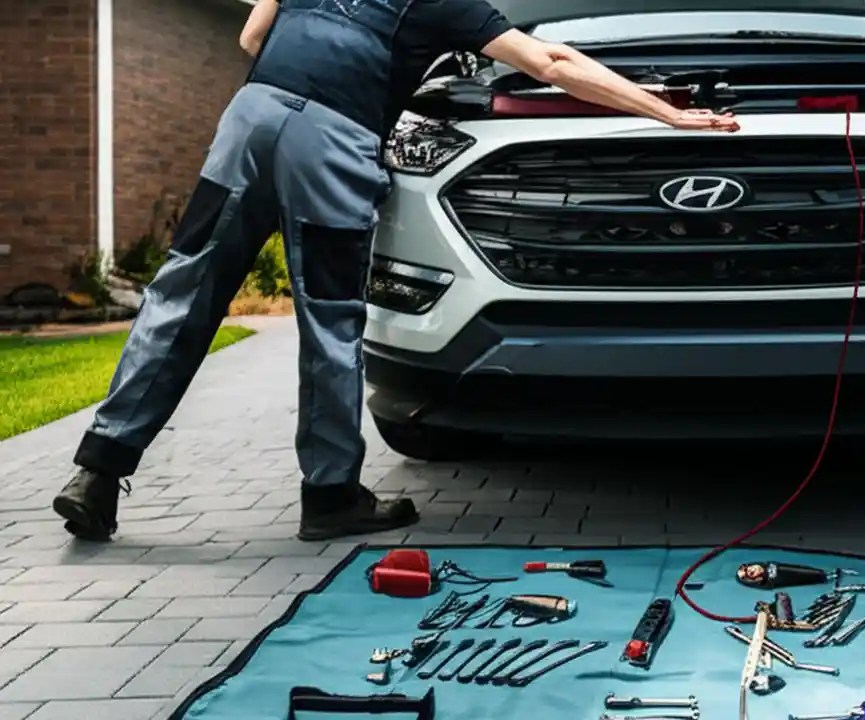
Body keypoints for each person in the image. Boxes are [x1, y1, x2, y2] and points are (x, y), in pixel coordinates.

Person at [51, 0, 739, 543]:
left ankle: (97, 473)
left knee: (184, 291)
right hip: (333, 140)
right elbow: (550, 61)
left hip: (251, 118)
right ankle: (329, 496)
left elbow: (253, 36)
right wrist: (666, 112)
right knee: (329, 319)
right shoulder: (445, 3)